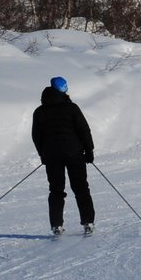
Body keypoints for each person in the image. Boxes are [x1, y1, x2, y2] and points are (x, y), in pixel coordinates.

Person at [31, 76, 95, 236]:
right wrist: (89, 151)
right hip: (74, 154)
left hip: (52, 156)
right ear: (64, 90)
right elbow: (84, 130)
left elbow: (36, 136)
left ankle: (56, 225)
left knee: (56, 190)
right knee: (81, 188)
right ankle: (88, 222)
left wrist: (43, 154)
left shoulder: (39, 112)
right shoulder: (71, 108)